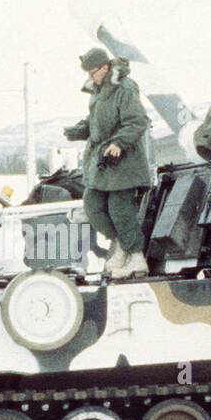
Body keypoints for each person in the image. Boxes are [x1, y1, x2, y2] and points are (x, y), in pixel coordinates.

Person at [63, 47, 154, 278]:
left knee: (120, 210)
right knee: (92, 205)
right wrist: (79, 130)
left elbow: (137, 120)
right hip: (102, 162)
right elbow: (97, 121)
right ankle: (123, 246)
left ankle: (136, 257)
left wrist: (120, 143)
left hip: (122, 161)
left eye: (92, 72)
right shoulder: (99, 89)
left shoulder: (124, 88)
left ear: (105, 68)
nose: (90, 77)